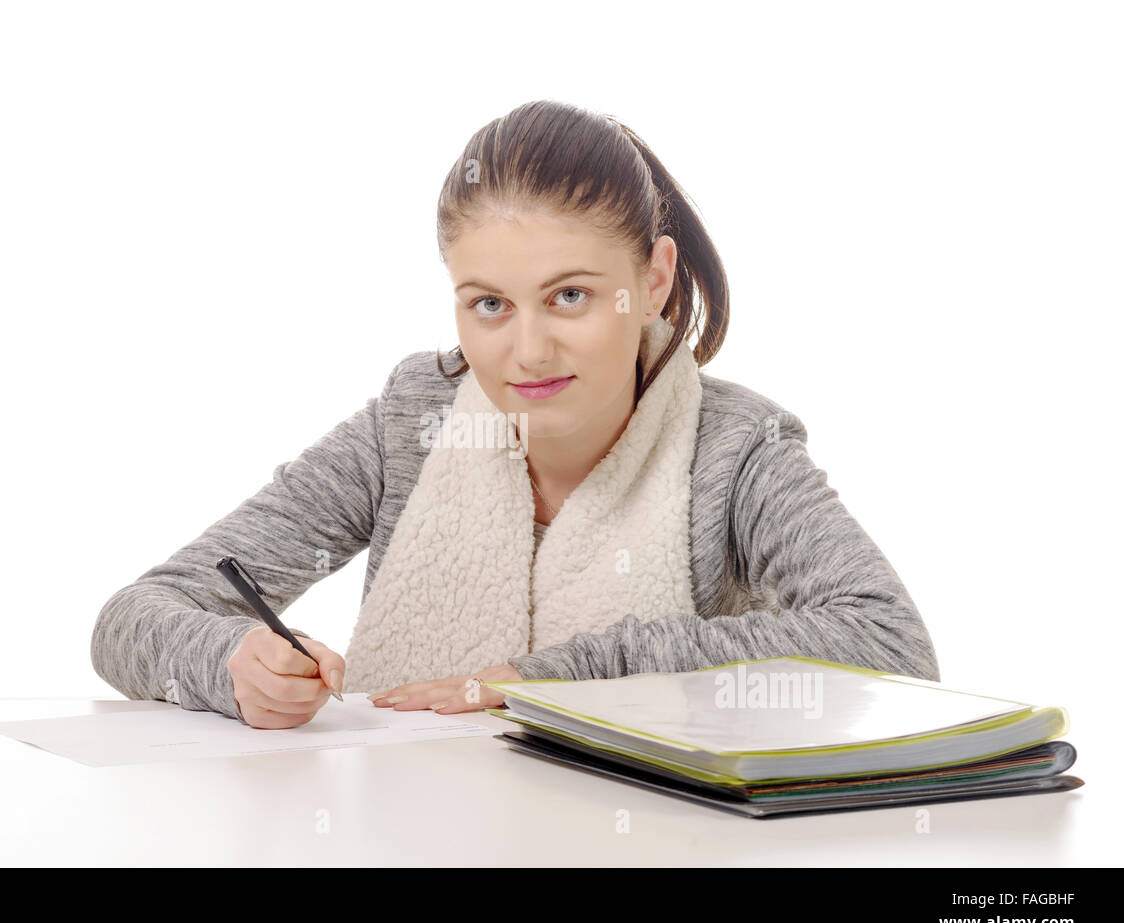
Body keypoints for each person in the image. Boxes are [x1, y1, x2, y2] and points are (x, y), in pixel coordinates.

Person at [91, 100, 940, 730]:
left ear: (651, 281)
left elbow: (889, 646)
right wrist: (232, 663)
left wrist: (550, 678)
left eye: (569, 295)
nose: (527, 350)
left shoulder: (735, 449)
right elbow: (137, 613)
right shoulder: (409, 427)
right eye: (489, 304)